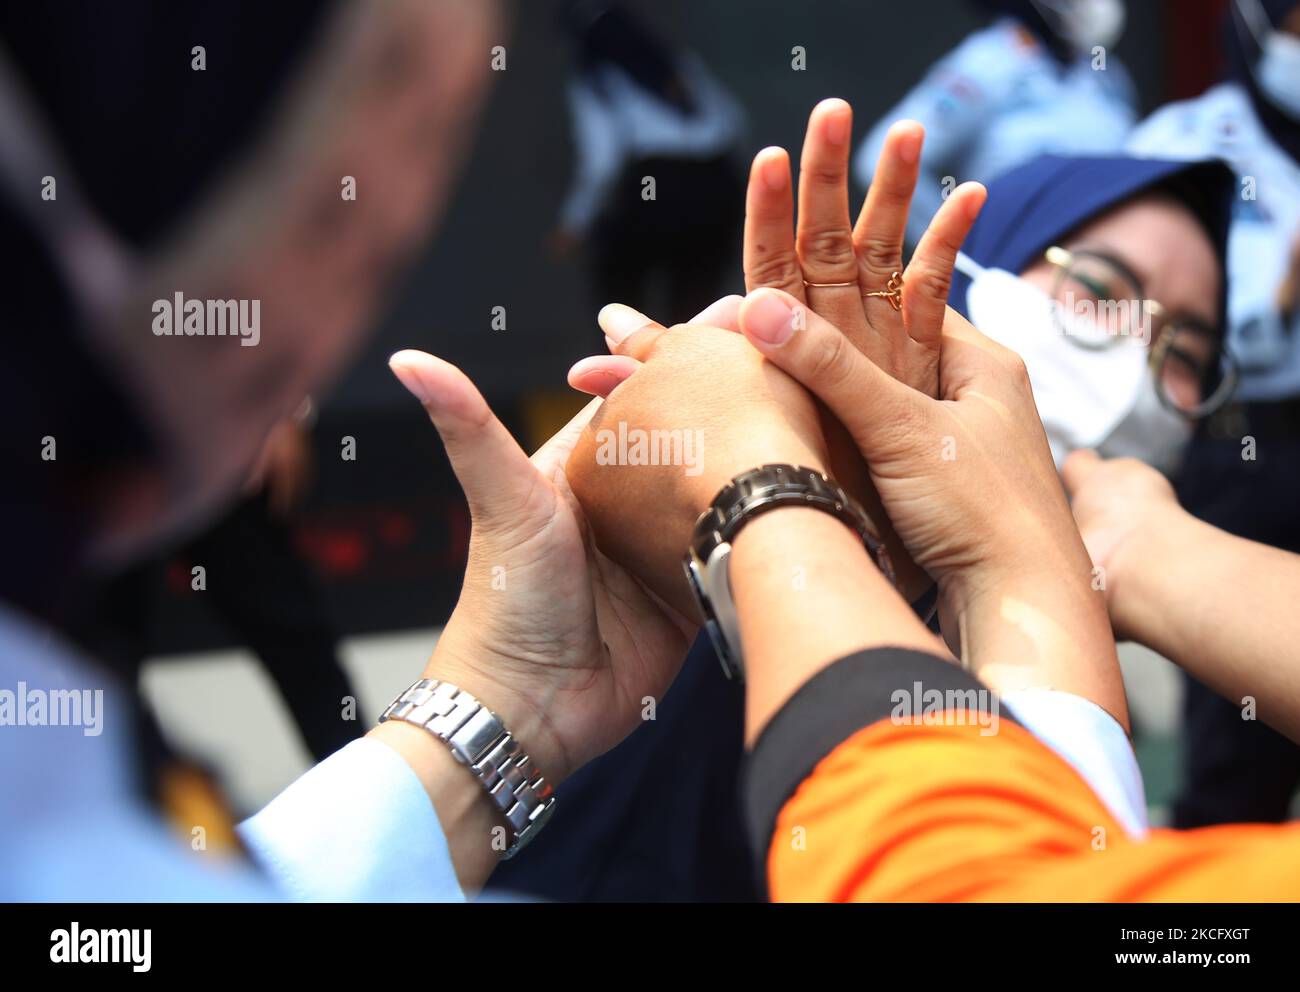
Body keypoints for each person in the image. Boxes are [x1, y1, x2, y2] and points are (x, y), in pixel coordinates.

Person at [1126, 0, 1300, 828]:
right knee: (1238, 753)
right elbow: (1158, 320)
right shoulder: (1187, 141)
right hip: (1245, 448)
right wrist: (1286, 285)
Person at [853, 0, 1136, 246]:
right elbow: (882, 160)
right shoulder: (990, 62)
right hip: (1011, 273)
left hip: (1091, 268)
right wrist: (960, 251)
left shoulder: (1105, 75)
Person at [551, 0, 746, 324]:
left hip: (658, 184)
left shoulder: (595, 78)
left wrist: (575, 223)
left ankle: (624, 353)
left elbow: (601, 160)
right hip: (718, 183)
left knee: (619, 289)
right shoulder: (678, 63)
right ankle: (689, 355)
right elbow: (732, 120)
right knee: (696, 303)